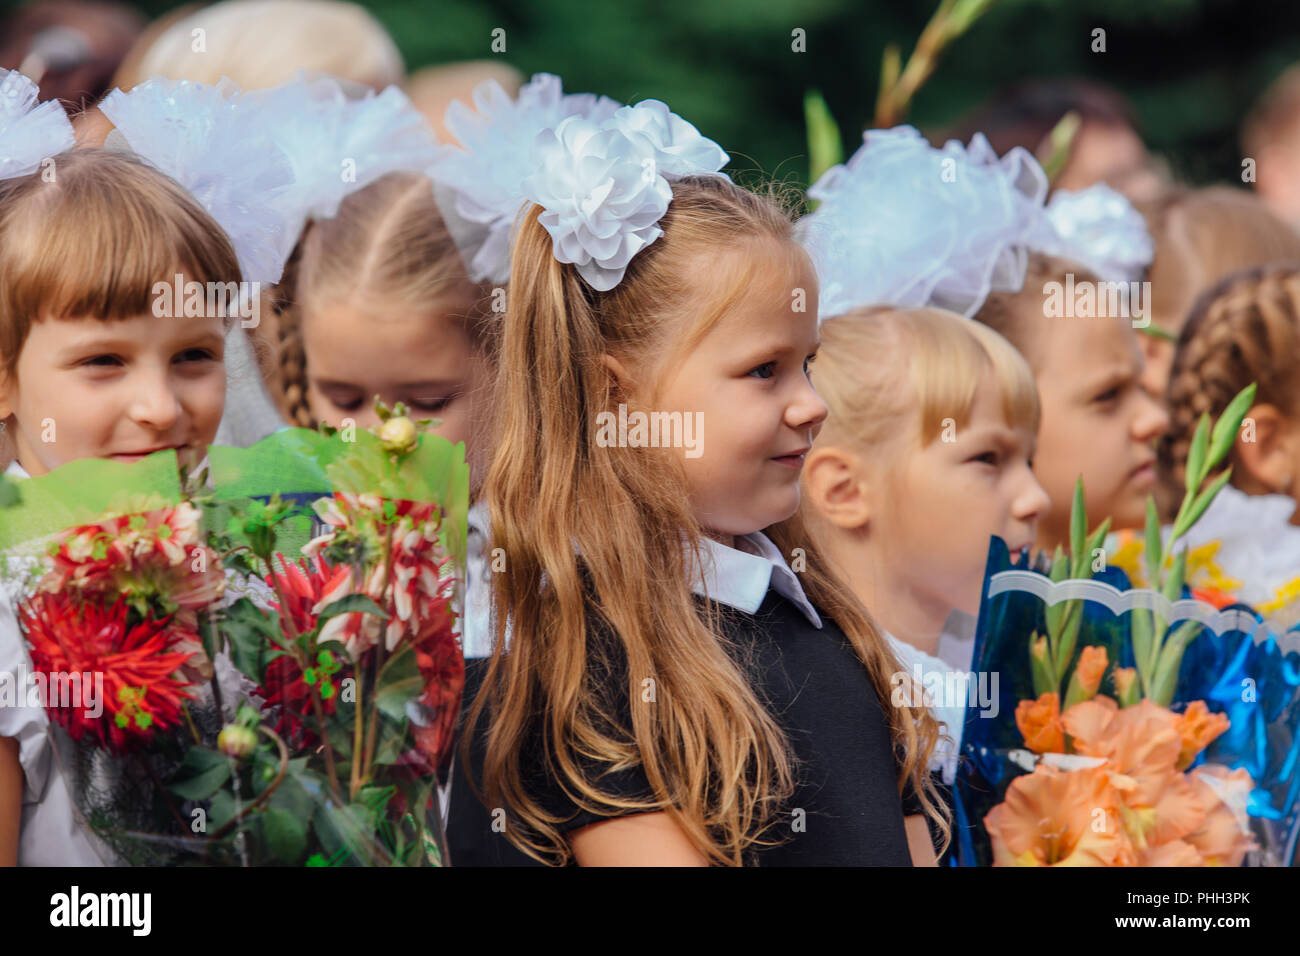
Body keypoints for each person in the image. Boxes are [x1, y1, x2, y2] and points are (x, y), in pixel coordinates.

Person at [460, 99, 947, 866]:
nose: (813, 404)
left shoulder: (829, 623)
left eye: (808, 363)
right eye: (764, 371)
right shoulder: (582, 663)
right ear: (617, 396)